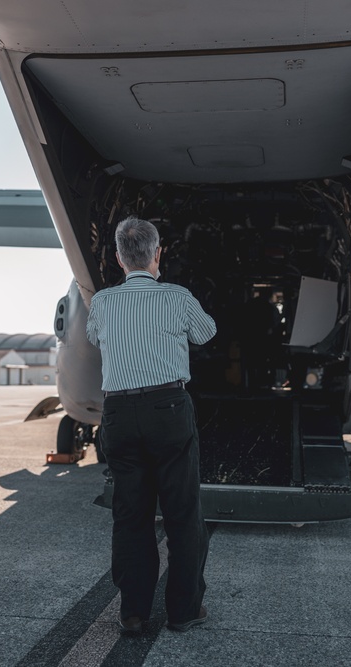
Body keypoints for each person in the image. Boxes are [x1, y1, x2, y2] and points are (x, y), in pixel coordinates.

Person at [86, 216, 216, 634]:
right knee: (182, 513)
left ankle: (133, 612)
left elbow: (93, 337)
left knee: (130, 515)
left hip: (119, 414)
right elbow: (207, 333)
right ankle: (183, 610)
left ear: (119, 259)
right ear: (158, 254)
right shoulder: (177, 297)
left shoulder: (102, 302)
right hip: (168, 410)